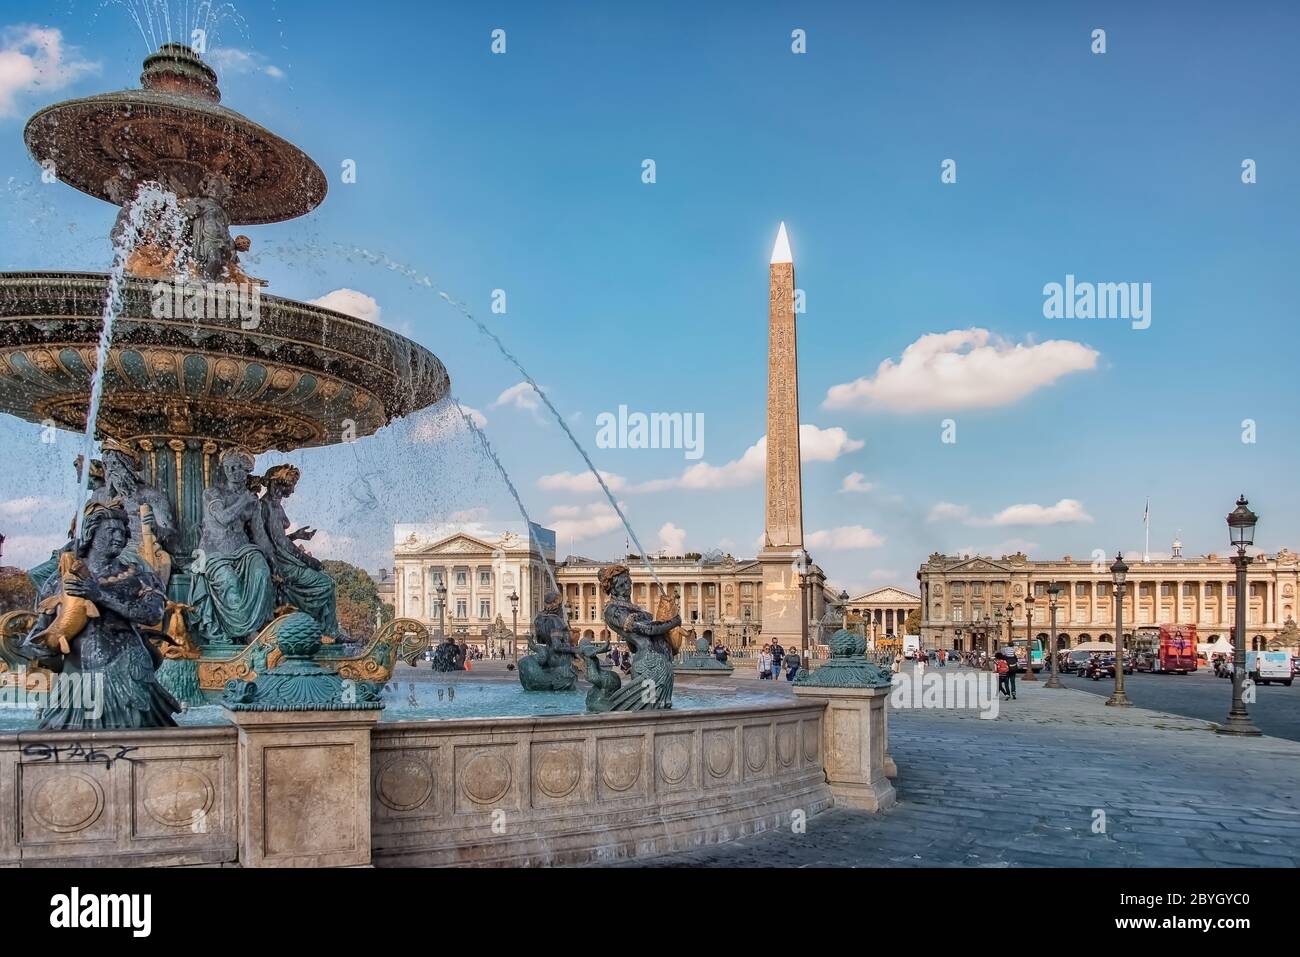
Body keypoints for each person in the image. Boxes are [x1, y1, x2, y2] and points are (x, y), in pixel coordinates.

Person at [20, 500, 179, 728]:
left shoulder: (140, 576)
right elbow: (39, 633)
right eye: (111, 531)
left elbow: (152, 614)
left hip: (127, 672)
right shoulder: (59, 581)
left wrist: (100, 595)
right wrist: (40, 647)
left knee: (140, 743)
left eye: (123, 532)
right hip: (76, 681)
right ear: (90, 533)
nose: (120, 537)